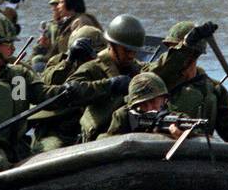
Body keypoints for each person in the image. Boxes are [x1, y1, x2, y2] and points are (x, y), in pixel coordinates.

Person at [0, 11, 125, 185]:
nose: (11, 48)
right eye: (6, 43)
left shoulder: (18, 75)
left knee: (48, 164)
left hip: (16, 147)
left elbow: (48, 95)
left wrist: (106, 86)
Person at [69, 15, 209, 141]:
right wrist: (109, 86)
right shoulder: (92, 68)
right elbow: (70, 93)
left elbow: (159, 70)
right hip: (100, 136)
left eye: (134, 51)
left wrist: (184, 48)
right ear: (112, 45)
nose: (131, 55)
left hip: (137, 131)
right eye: (126, 50)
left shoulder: (137, 69)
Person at [151, 22, 228, 145]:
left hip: (199, 153)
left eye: (176, 51)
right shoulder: (153, 81)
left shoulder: (212, 89)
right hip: (157, 149)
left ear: (193, 54)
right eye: (171, 51)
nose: (171, 56)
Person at [30, 26, 106, 151]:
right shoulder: (59, 61)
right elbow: (46, 83)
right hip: (59, 129)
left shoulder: (102, 65)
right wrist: (69, 61)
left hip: (92, 125)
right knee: (49, 149)